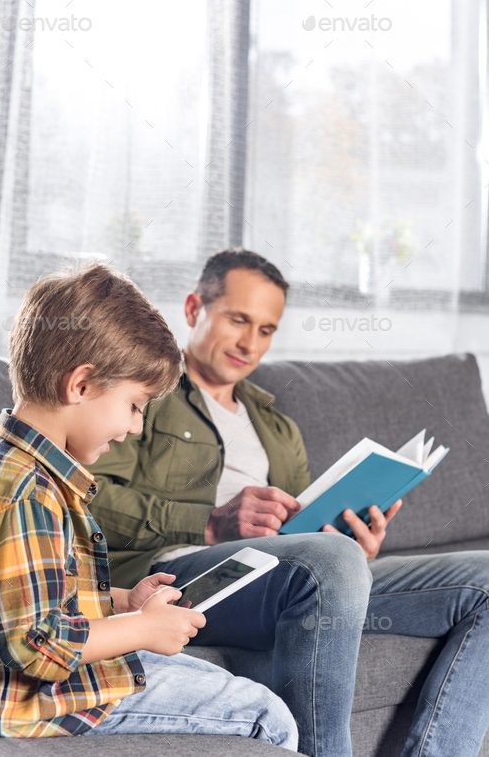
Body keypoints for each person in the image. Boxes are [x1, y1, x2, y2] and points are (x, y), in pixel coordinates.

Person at [88, 248, 489, 757]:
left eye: (266, 329)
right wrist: (212, 524)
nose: (250, 342)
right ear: (194, 309)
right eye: (238, 319)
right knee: (330, 564)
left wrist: (347, 542)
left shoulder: (277, 426)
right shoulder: (147, 396)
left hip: (290, 576)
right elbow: (90, 503)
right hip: (181, 574)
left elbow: (307, 534)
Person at [0, 262, 299, 748]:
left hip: (37, 682)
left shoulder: (22, 471)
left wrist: (124, 604)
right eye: (135, 405)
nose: (136, 427)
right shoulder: (18, 495)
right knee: (269, 714)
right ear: (80, 385)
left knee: (220, 681)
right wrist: (140, 629)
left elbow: (40, 594)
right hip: (30, 698)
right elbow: (39, 647)